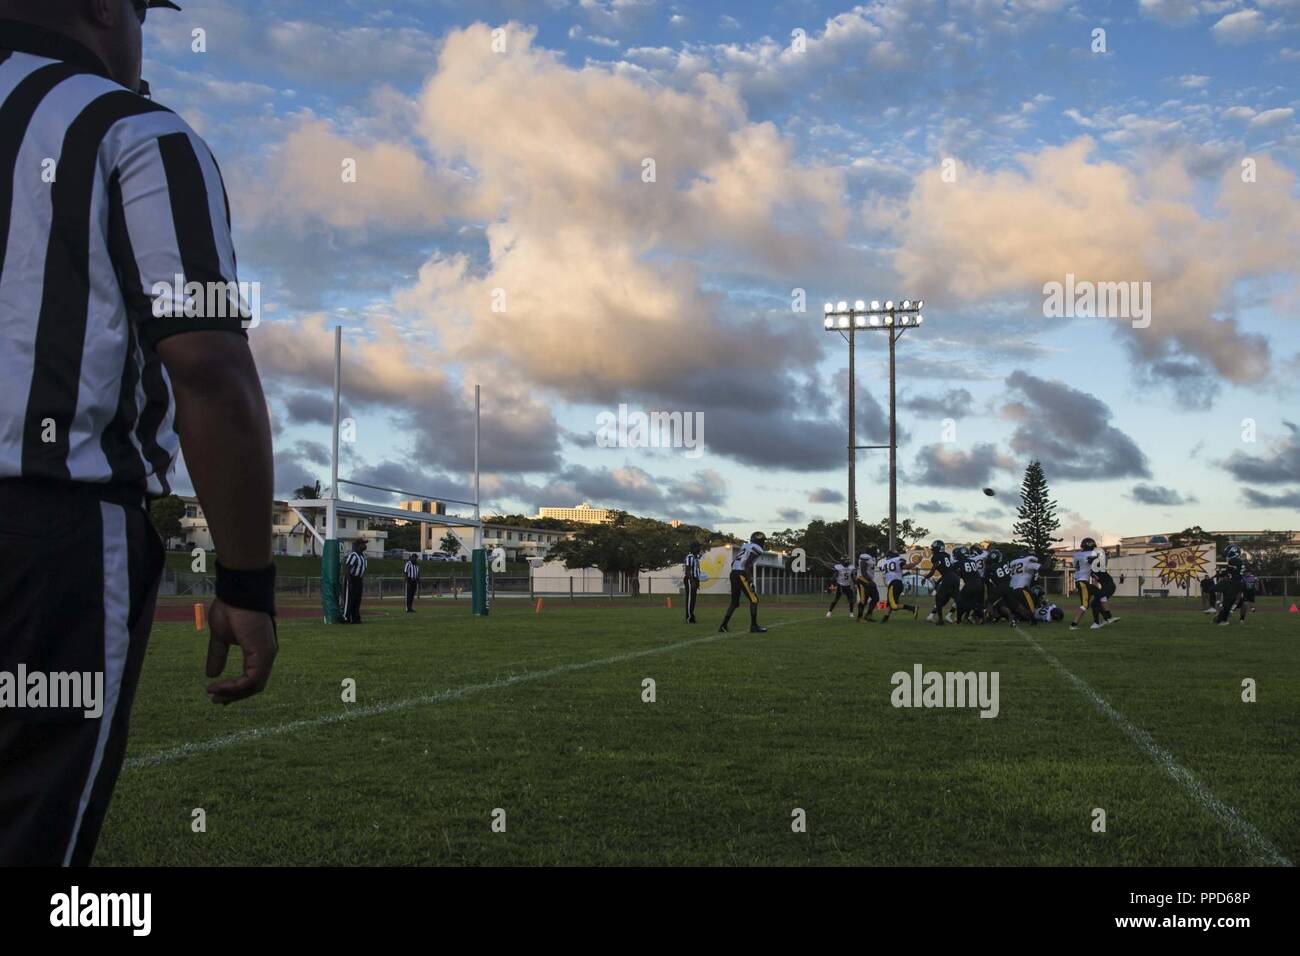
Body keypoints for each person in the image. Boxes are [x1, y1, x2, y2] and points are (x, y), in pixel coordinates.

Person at [0, 0, 277, 866]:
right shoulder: (132, 131)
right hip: (46, 535)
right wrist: (247, 580)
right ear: (99, 8)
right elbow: (207, 363)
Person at [720, 532, 767, 634]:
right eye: (763, 541)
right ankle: (753, 627)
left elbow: (733, 563)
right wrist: (750, 581)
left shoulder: (745, 546)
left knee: (735, 603)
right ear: (759, 541)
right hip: (741, 573)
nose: (763, 543)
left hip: (733, 573)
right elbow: (747, 565)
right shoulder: (757, 549)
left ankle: (723, 626)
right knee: (754, 600)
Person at [878, 549, 919, 623]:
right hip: (897, 583)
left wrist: (916, 563)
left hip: (893, 584)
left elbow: (904, 567)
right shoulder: (897, 559)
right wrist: (916, 563)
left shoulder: (885, 562)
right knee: (890, 604)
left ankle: (912, 608)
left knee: (893, 605)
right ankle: (884, 619)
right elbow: (904, 567)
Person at [1069, 538, 1099, 631]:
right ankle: (1073, 624)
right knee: (1085, 604)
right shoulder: (1090, 554)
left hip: (1080, 580)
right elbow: (1093, 560)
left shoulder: (1077, 555)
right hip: (1083, 582)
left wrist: (1093, 574)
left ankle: (1101, 619)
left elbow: (1084, 566)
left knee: (1098, 595)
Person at [341, 539, 368, 624]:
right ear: (358, 545)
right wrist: (349, 581)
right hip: (352, 579)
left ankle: (355, 618)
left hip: (359, 580)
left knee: (357, 600)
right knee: (349, 599)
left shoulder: (363, 557)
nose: (365, 546)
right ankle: (346, 617)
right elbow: (347, 568)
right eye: (363, 544)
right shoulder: (354, 555)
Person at [855, 547, 880, 623]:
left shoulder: (872, 558)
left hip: (868, 580)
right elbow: (863, 570)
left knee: (875, 598)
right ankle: (859, 618)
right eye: (875, 550)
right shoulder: (865, 556)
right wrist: (869, 581)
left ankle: (868, 615)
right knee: (863, 600)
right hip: (862, 579)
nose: (877, 552)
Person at [683, 541, 702, 624]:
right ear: (693, 548)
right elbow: (687, 571)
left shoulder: (696, 558)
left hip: (695, 579)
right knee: (690, 599)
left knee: (693, 600)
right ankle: (689, 618)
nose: (699, 549)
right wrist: (692, 581)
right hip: (690, 579)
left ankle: (691, 616)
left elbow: (697, 571)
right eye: (697, 547)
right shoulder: (690, 557)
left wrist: (698, 582)